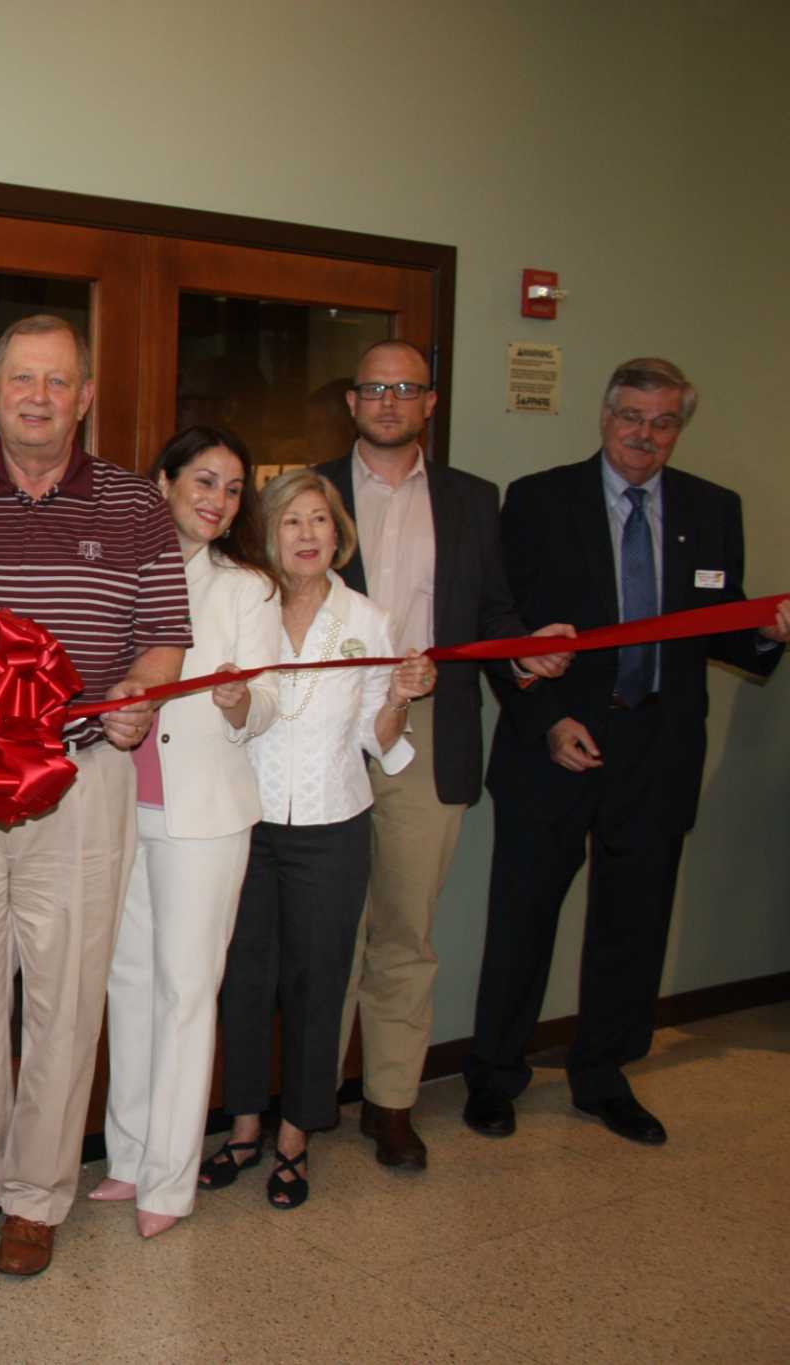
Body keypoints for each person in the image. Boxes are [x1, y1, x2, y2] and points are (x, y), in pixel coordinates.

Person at [0, 314, 191, 1276]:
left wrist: (136, 698)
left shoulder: (135, 506)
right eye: (21, 378)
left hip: (83, 774)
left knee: (65, 993)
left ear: (85, 396)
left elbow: (161, 634)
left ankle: (37, 1193)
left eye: (57, 382)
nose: (37, 396)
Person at [465, 357, 788, 1145]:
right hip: (555, 744)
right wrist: (545, 718)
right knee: (522, 918)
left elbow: (718, 626)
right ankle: (495, 1075)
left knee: (633, 924)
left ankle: (603, 1074)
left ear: (679, 427)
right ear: (605, 418)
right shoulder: (539, 500)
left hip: (658, 748)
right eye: (632, 417)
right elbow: (503, 631)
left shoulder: (713, 508)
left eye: (663, 421)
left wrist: (770, 633)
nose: (645, 435)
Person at [315, 341, 572, 1171]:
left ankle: (390, 1101)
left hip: (429, 731)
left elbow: (493, 611)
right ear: (352, 402)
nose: (390, 399)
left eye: (407, 388)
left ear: (429, 403)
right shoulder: (311, 491)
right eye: (374, 386)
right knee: (325, 932)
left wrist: (522, 653)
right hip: (322, 733)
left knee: (404, 932)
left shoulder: (471, 499)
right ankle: (307, 1109)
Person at [204, 469, 433, 1211]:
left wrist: (398, 697)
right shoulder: (248, 604)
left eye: (320, 521)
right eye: (291, 522)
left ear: (340, 534)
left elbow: (376, 736)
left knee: (317, 981)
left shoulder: (368, 616)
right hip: (249, 819)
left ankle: (297, 1135)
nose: (307, 535)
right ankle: (242, 1127)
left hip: (334, 824)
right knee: (243, 976)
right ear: (269, 533)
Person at [86, 425, 280, 1238]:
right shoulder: (126, 563)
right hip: (122, 804)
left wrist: (240, 699)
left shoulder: (247, 587)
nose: (218, 501)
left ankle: (172, 1176)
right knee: (127, 982)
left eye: (234, 489)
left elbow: (267, 700)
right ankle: (128, 1157)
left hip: (204, 813)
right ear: (162, 481)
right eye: (204, 481)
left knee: (185, 990)